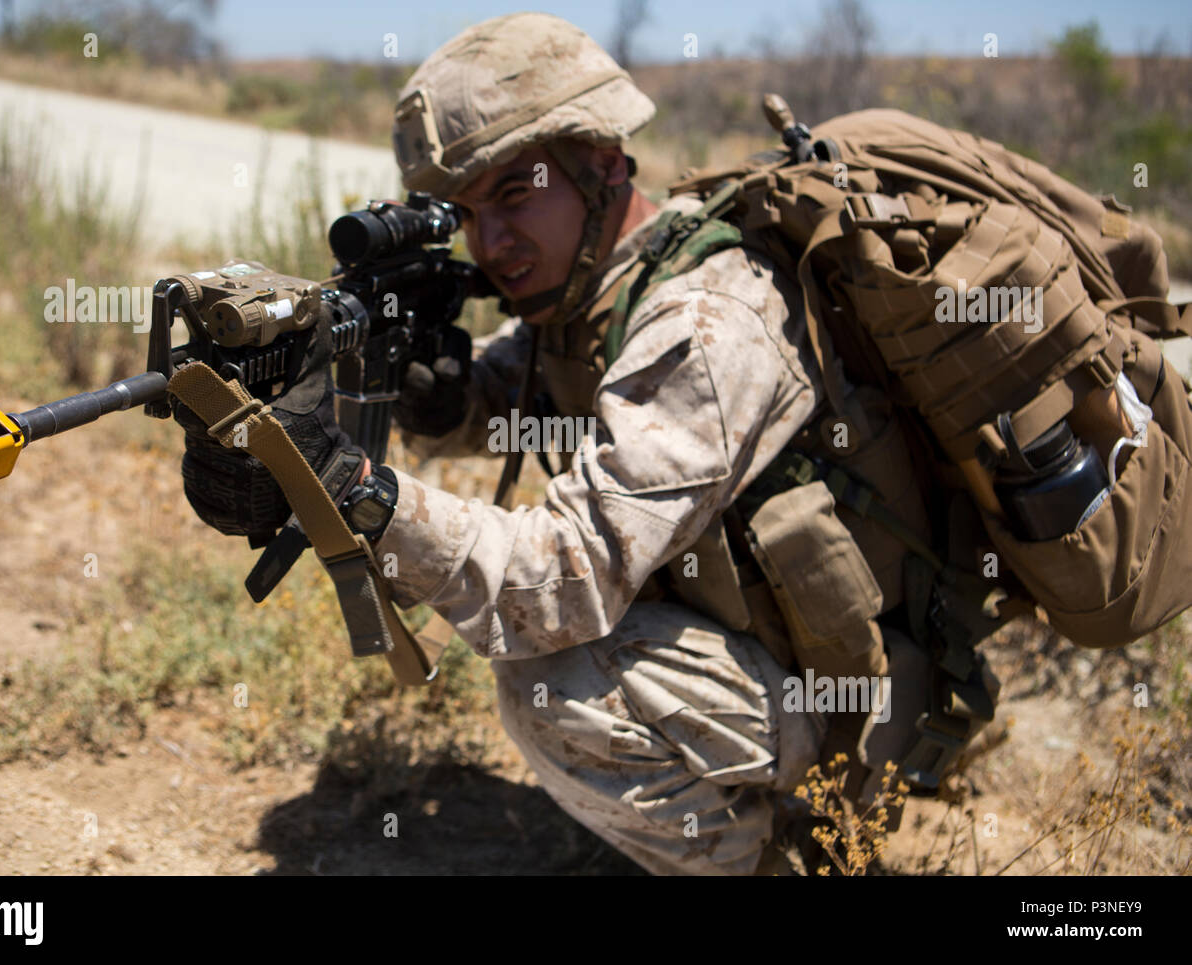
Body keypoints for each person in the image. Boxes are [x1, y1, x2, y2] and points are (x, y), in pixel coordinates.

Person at [179, 11, 893, 875]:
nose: (491, 243)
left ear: (603, 163)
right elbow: (523, 395)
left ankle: (761, 860)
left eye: (515, 193)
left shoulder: (704, 325)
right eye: (467, 213)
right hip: (764, 659)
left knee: (554, 681)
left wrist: (358, 490)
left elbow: (562, 581)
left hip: (861, 698)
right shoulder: (597, 293)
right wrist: (437, 397)